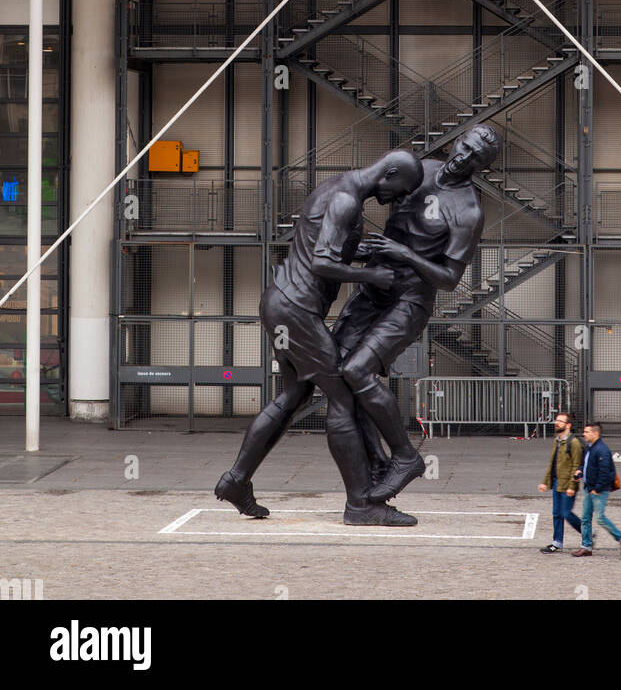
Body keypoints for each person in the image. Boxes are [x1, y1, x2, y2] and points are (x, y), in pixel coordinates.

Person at [214, 149, 424, 527]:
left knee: (293, 394)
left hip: (279, 304)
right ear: (389, 173)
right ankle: (361, 505)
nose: (398, 199)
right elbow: (322, 263)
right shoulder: (346, 201)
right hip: (296, 311)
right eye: (401, 189)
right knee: (343, 396)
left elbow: (318, 247)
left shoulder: (336, 188)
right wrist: (373, 277)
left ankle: (236, 480)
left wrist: (364, 252)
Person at [333, 122, 502, 503]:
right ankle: (378, 461)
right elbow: (368, 189)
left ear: (482, 165)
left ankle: (407, 456)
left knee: (356, 370)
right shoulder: (418, 168)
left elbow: (449, 279)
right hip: (375, 282)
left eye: (475, 156)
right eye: (465, 147)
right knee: (337, 373)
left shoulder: (468, 211)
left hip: (409, 298)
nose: (464, 157)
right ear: (458, 141)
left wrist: (406, 254)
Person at [573, 421, 621, 556]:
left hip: (598, 490)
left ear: (595, 433)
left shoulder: (602, 450)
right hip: (590, 487)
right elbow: (584, 464)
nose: (584, 434)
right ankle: (586, 546)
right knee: (586, 518)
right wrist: (580, 472)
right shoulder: (590, 447)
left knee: (599, 518)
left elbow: (605, 473)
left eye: (587, 432)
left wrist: (597, 488)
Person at [538, 410, 584, 553]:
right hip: (558, 482)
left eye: (560, 421)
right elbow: (552, 462)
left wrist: (572, 485)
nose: (557, 423)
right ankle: (557, 542)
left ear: (568, 425)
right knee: (557, 513)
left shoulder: (574, 443)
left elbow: (577, 466)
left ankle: (587, 532)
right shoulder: (557, 441)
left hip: (567, 484)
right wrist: (546, 482)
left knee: (566, 513)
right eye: (556, 420)